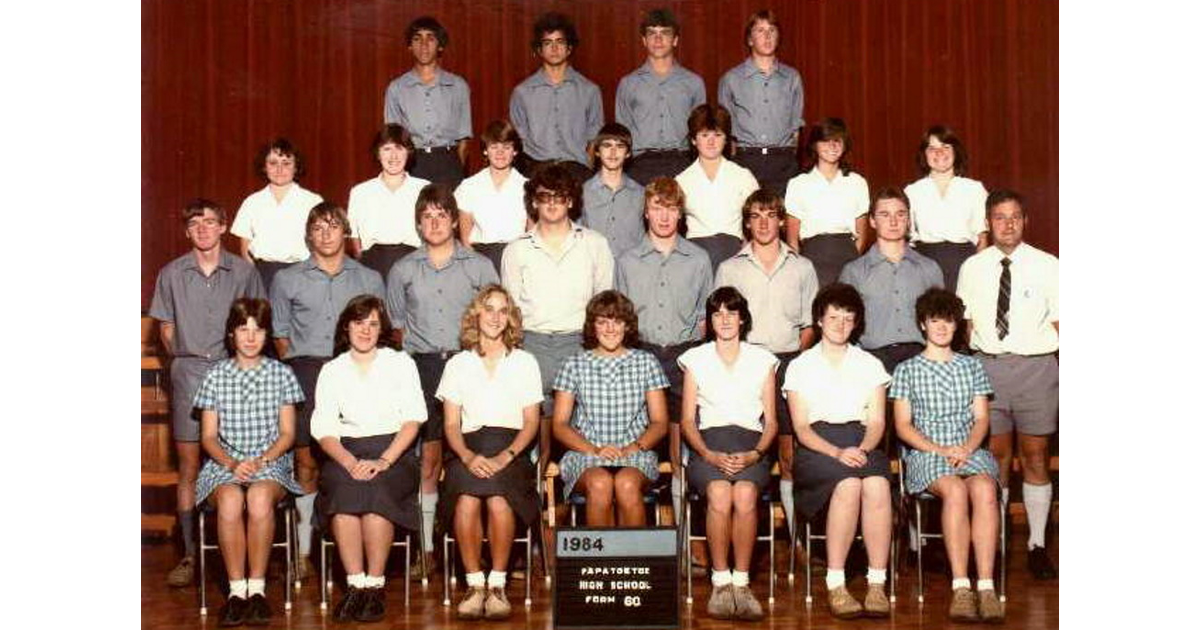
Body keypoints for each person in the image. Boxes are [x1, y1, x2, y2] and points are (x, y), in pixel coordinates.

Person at [150, 199, 267, 588]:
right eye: (195, 222)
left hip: (233, 371)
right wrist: (185, 360)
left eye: (211, 221)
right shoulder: (170, 273)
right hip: (189, 372)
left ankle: (250, 555)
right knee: (188, 465)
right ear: (187, 231)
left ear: (223, 227)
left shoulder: (244, 271)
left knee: (240, 459)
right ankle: (189, 554)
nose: (203, 228)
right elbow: (165, 328)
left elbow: (258, 322)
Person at [386, 183, 499, 578]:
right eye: (427, 217)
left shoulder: (479, 266)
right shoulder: (403, 269)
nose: (435, 223)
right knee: (429, 460)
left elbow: (494, 320)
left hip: (471, 365)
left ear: (454, 220)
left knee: (472, 453)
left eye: (441, 215)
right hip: (423, 368)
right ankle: (428, 549)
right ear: (418, 224)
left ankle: (483, 547)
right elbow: (396, 328)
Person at [270, 202, 386, 580]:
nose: (325, 234)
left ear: (345, 233)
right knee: (306, 462)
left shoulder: (368, 278)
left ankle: (360, 553)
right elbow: (281, 337)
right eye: (318, 227)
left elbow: (378, 333)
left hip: (356, 372)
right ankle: (303, 553)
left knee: (353, 455)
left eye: (333, 226)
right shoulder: (287, 279)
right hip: (307, 372)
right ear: (308, 235)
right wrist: (309, 371)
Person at [956, 189, 1058, 581]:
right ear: (988, 222)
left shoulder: (1049, 265)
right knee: (995, 459)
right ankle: (994, 543)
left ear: (1025, 221)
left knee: (1035, 456)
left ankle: (1035, 544)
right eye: (999, 217)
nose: (1008, 224)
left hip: (1036, 369)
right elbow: (965, 326)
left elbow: (1062, 321)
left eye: (1015, 216)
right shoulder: (973, 268)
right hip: (989, 369)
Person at [312, 295, 427, 623]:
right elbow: (323, 429)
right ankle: (356, 586)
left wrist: (385, 460)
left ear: (383, 329)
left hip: (394, 453)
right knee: (345, 494)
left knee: (378, 495)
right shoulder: (332, 370)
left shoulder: (400, 363)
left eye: (373, 324)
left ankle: (374, 587)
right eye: (359, 323)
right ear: (346, 326)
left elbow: (413, 420)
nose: (365, 330)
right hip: (345, 453)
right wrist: (348, 462)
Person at [891, 288, 1003, 623]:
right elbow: (902, 426)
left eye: (948, 320)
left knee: (983, 488)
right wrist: (940, 449)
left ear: (957, 326)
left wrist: (968, 447)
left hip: (968, 447)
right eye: (934, 320)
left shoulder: (971, 367)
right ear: (923, 324)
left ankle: (985, 586)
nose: (941, 327)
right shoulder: (907, 370)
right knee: (954, 489)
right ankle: (961, 588)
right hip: (927, 452)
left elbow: (982, 418)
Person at [782, 283, 892, 619]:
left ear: (857, 322)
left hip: (861, 441)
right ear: (818, 320)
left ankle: (876, 582)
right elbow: (801, 428)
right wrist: (836, 453)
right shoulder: (800, 365)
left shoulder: (870, 363)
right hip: (818, 447)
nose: (841, 324)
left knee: (877, 484)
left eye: (848, 318)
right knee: (848, 484)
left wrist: (861, 448)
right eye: (833, 317)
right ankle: (836, 583)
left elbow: (876, 421)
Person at [192, 298, 304, 627]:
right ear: (232, 334)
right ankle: (236, 592)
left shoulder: (282, 374)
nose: (251, 337)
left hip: (270, 461)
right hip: (223, 463)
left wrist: (261, 461)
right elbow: (208, 437)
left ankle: (257, 590)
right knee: (229, 500)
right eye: (243, 329)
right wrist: (231, 464)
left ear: (268, 334)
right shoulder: (215, 376)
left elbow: (286, 433)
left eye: (258, 329)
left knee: (257, 497)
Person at [714, 189, 818, 542]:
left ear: (781, 220)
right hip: (743, 366)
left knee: (789, 455)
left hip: (789, 363)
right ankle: (733, 534)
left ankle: (795, 540)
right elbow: (721, 323)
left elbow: (809, 326)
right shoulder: (729, 268)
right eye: (756, 216)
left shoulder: (802, 267)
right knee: (744, 446)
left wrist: (787, 363)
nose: (763, 222)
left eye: (770, 215)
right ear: (746, 222)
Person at [437, 285, 543, 620]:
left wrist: (505, 456)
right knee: (467, 497)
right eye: (489, 308)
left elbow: (531, 423)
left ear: (510, 317)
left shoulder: (524, 362)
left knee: (499, 497)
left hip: (510, 449)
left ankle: (497, 585)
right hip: (466, 449)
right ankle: (474, 585)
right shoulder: (458, 363)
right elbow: (451, 425)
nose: (496, 317)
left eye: (503, 310)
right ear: (476, 315)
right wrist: (468, 457)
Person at [614, 177, 713, 522]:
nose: (664, 216)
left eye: (671, 208)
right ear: (646, 212)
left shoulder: (698, 259)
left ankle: (685, 533)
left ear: (681, 214)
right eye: (658, 207)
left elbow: (706, 318)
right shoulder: (626, 261)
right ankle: (636, 531)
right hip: (641, 357)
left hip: (683, 358)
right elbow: (619, 320)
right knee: (637, 447)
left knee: (680, 448)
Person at [678, 286, 777, 621]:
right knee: (720, 492)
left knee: (746, 493)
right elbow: (688, 420)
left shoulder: (763, 360)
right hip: (708, 445)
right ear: (709, 320)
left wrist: (756, 453)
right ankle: (720, 582)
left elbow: (772, 422)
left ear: (742, 318)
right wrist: (706, 453)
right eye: (717, 313)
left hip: (751, 445)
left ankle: (742, 583)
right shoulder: (695, 359)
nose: (724, 320)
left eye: (731, 313)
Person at [501, 163, 614, 414]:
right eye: (544, 197)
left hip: (579, 343)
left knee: (581, 424)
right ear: (534, 203)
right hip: (532, 343)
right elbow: (511, 310)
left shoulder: (595, 244)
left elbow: (604, 306)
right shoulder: (516, 249)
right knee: (533, 426)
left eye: (559, 197)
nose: (552, 204)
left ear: (571, 202)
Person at [552, 291, 669, 526]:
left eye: (617, 321)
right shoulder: (573, 363)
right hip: (586, 453)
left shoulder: (646, 362)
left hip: (635, 452)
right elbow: (560, 425)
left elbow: (660, 422)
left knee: (626, 483)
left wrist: (631, 448)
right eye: (602, 322)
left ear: (627, 325)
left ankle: (636, 561)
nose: (610, 329)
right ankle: (598, 561)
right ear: (592, 326)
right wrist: (594, 450)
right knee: (600, 483)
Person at [839, 188, 944, 374]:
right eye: (884, 215)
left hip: (921, 361)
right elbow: (843, 325)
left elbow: (942, 322)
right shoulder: (854, 272)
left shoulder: (929, 268)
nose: (894, 222)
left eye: (900, 214)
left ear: (909, 219)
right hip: (871, 362)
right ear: (872, 221)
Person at [509, 11, 603, 183]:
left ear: (569, 48)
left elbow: (594, 139)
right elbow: (519, 141)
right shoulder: (522, 92)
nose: (554, 48)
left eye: (560, 42)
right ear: (539, 49)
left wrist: (585, 169)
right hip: (536, 171)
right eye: (547, 43)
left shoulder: (589, 90)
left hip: (577, 172)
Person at [718, 9, 804, 196]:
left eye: (772, 30)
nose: (767, 36)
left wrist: (785, 156)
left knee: (780, 219)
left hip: (782, 162)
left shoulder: (791, 78)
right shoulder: (732, 79)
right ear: (750, 39)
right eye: (760, 30)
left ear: (778, 37)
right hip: (746, 160)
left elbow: (796, 130)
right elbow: (726, 131)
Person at [615, 8, 705, 184]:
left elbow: (700, 131)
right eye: (652, 33)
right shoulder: (628, 84)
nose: (658, 39)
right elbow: (622, 134)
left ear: (675, 40)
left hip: (682, 164)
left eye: (665, 33)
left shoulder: (694, 83)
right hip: (640, 166)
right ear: (644, 40)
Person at [384, 15, 472, 187]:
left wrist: (454, 171)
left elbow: (464, 142)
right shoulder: (396, 88)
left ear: (440, 46)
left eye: (430, 38)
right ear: (409, 46)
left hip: (449, 165)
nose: (424, 44)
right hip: (413, 164)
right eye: (417, 38)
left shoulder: (457, 86)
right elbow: (393, 139)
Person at [783, 117, 870, 288]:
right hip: (812, 258)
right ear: (815, 145)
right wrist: (801, 269)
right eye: (826, 141)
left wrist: (852, 264)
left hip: (848, 258)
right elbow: (792, 240)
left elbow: (862, 235)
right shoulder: (798, 184)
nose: (833, 146)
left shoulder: (857, 182)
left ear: (845, 145)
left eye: (838, 141)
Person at [230, 138, 324, 291]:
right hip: (263, 274)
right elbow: (245, 248)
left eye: (286, 163)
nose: (279, 169)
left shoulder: (312, 201)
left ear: (296, 167)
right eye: (273, 163)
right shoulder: (252, 202)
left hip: (302, 274)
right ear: (264, 167)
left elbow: (320, 243)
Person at [904, 125, 989, 292]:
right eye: (932, 148)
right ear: (924, 154)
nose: (939, 153)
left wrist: (980, 276)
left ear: (955, 152)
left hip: (964, 264)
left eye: (945, 147)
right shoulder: (912, 191)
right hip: (925, 264)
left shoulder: (974, 189)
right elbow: (906, 241)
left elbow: (982, 239)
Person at [675, 103, 760, 269]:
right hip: (695, 257)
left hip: (734, 255)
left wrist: (748, 249)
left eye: (718, 135)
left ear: (726, 139)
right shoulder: (681, 180)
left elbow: (758, 219)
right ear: (693, 139)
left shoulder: (743, 176)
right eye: (705, 135)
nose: (712, 141)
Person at [347, 124, 431, 278]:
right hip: (372, 267)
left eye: (399, 148)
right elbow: (354, 238)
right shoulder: (360, 192)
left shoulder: (424, 188)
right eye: (386, 149)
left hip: (414, 265)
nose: (393, 156)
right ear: (378, 154)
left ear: (408, 152)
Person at [454, 120, 531, 273]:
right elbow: (465, 238)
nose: (500, 153)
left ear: (515, 151)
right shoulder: (469, 186)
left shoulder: (528, 187)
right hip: (480, 258)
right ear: (485, 150)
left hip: (517, 258)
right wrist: (474, 268)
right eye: (494, 147)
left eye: (506, 147)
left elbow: (532, 233)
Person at [581, 123, 646, 259]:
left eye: (620, 146)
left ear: (628, 153)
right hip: (594, 269)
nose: (613, 152)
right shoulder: (583, 193)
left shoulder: (640, 193)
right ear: (597, 151)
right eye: (607, 145)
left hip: (631, 271)